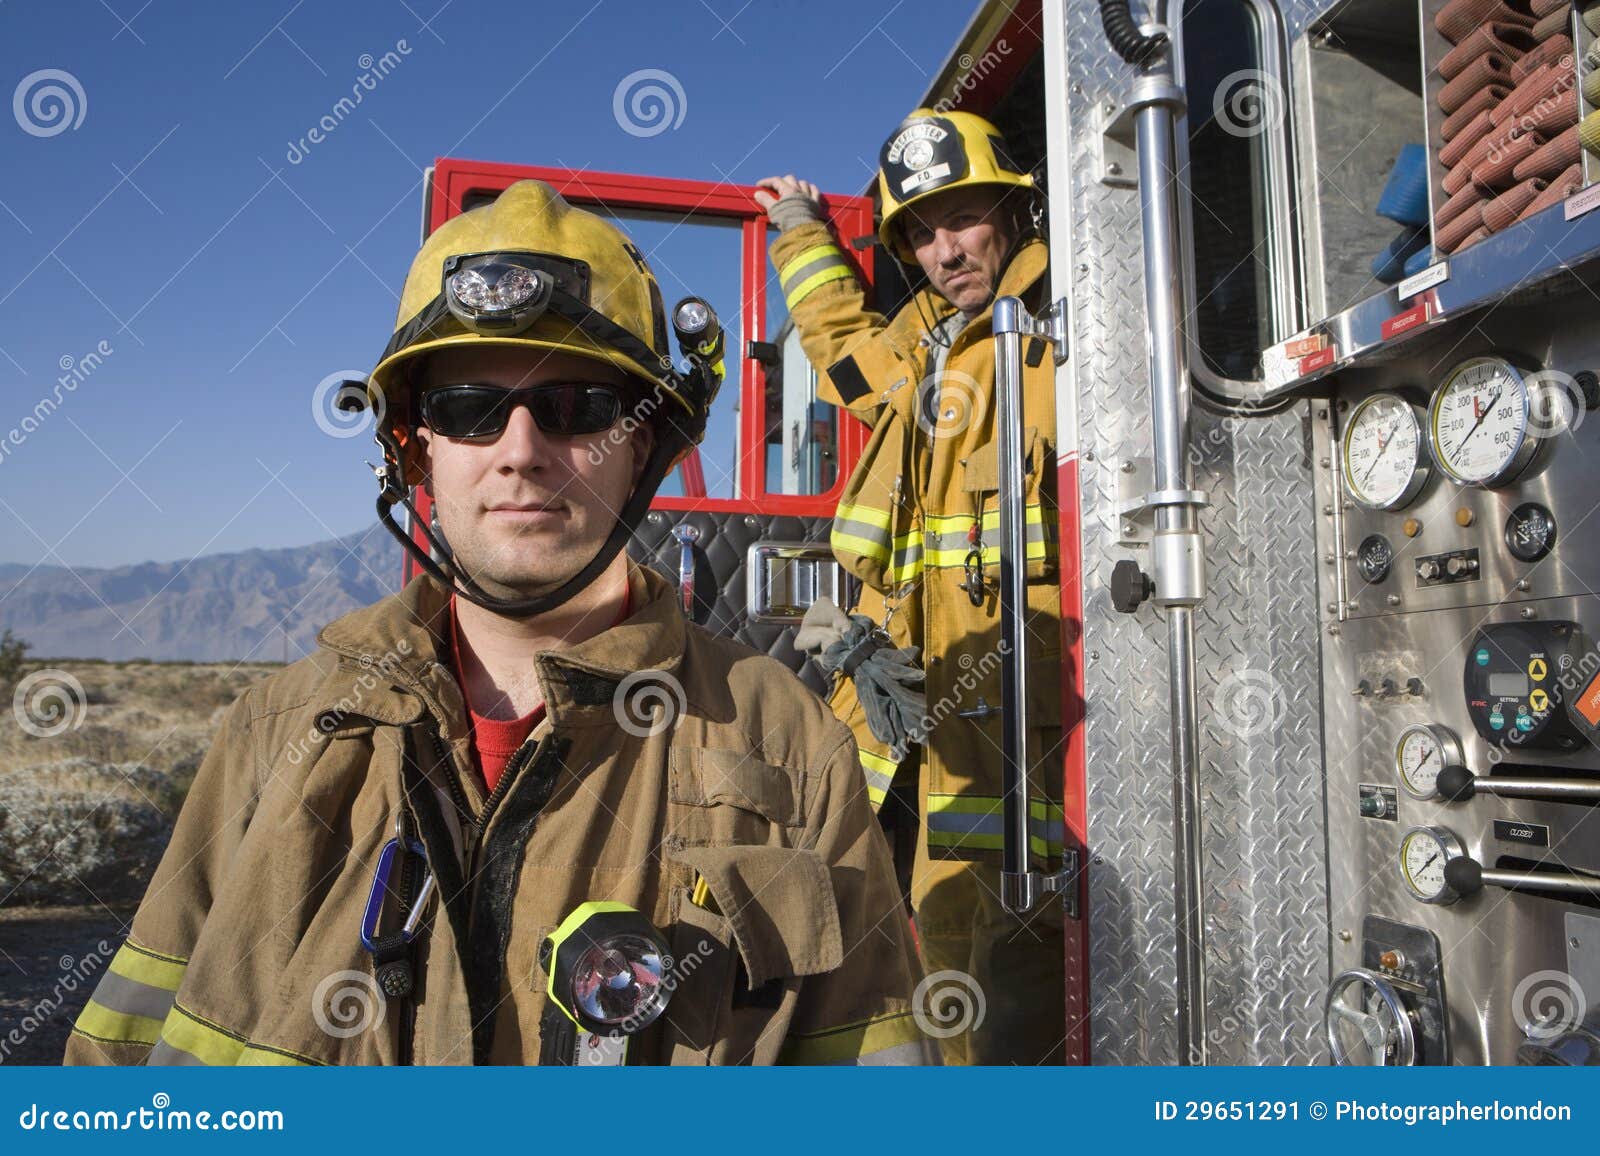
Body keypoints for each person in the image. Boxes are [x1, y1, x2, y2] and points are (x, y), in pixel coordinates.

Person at [64, 180, 932, 1067]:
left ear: (643, 444)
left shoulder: (792, 749)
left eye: (579, 408)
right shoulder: (274, 735)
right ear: (414, 445)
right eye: (470, 408)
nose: (522, 450)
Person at [756, 109, 1067, 1065]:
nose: (944, 249)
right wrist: (804, 233)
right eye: (921, 234)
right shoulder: (928, 339)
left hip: (1019, 719)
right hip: (915, 705)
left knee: (1005, 956)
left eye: (962, 217)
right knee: (921, 931)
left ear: (1013, 212)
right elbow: (844, 350)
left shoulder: (1065, 330)